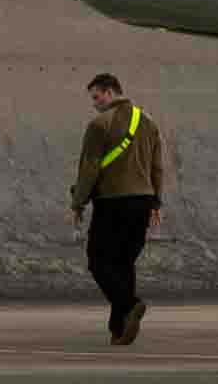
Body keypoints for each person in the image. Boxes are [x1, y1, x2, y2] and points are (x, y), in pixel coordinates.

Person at [68, 72, 169, 345]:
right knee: (124, 263)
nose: (95, 104)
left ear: (110, 92)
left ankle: (130, 303)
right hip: (143, 201)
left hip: (112, 202)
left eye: (97, 97)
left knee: (98, 261)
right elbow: (157, 166)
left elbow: (89, 167)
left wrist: (78, 202)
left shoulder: (100, 125)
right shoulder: (149, 122)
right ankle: (118, 329)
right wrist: (156, 202)